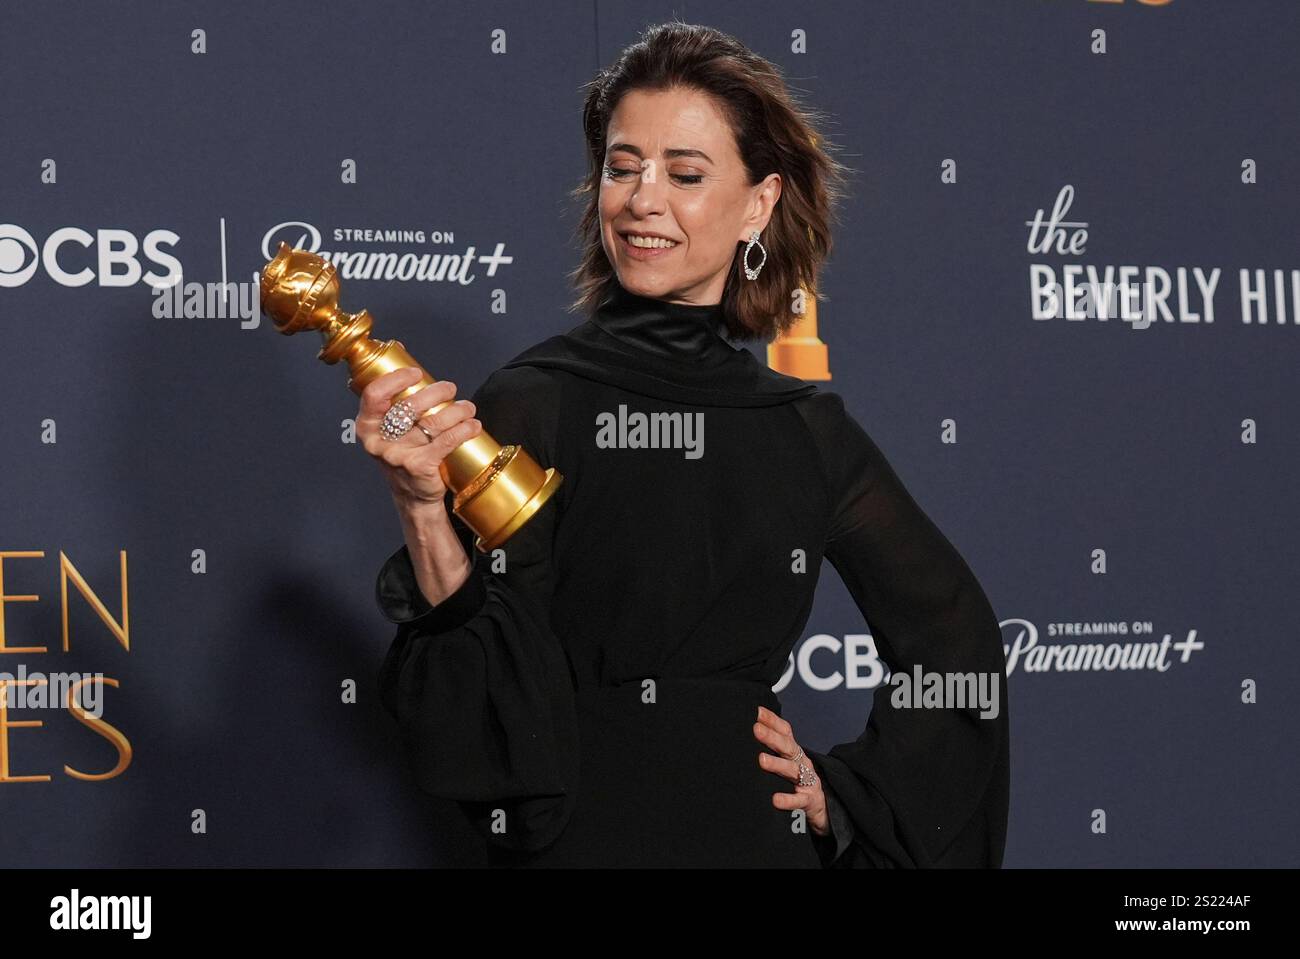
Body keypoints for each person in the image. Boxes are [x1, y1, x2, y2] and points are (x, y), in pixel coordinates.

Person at [359, 21, 1010, 868]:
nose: (642, 199)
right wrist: (419, 507)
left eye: (685, 173)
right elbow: (476, 699)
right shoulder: (536, 400)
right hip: (581, 841)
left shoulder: (806, 430)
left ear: (759, 204)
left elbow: (956, 639)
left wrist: (845, 796)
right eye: (622, 168)